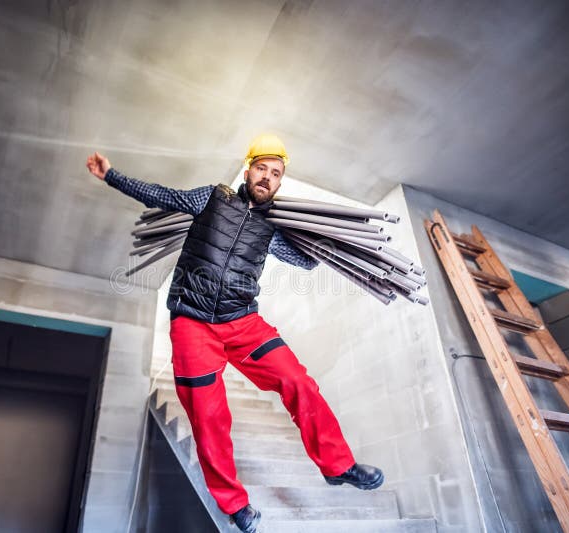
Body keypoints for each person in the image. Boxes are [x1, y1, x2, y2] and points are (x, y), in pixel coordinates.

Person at [87, 134, 383, 533]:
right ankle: (234, 504)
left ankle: (338, 465)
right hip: (192, 322)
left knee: (297, 381)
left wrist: (326, 240)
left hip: (242, 321)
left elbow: (305, 262)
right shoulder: (212, 198)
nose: (267, 177)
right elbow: (160, 194)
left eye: (276, 173)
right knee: (208, 415)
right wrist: (112, 176)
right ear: (248, 169)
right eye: (262, 168)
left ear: (280, 183)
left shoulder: (272, 227)